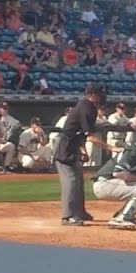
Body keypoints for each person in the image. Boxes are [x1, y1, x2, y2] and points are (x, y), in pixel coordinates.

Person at [54, 82, 109, 226]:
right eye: (99, 94)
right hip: (65, 147)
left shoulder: (90, 108)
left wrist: (82, 149)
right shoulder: (85, 107)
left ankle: (79, 212)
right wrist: (111, 148)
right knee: (70, 180)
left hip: (73, 145)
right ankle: (68, 216)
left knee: (78, 179)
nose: (101, 97)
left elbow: (81, 134)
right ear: (92, 95)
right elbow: (90, 136)